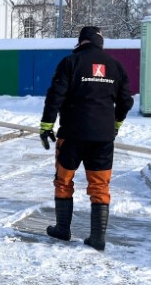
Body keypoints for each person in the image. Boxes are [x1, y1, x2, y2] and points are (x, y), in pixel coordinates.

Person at [39, 26, 134, 251]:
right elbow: (126, 101)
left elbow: (55, 96)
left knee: (63, 181)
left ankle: (63, 229)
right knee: (100, 186)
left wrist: (46, 125)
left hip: (72, 135)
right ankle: (98, 238)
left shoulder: (70, 63)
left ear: (81, 42)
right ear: (100, 43)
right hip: (103, 138)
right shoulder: (115, 66)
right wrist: (116, 124)